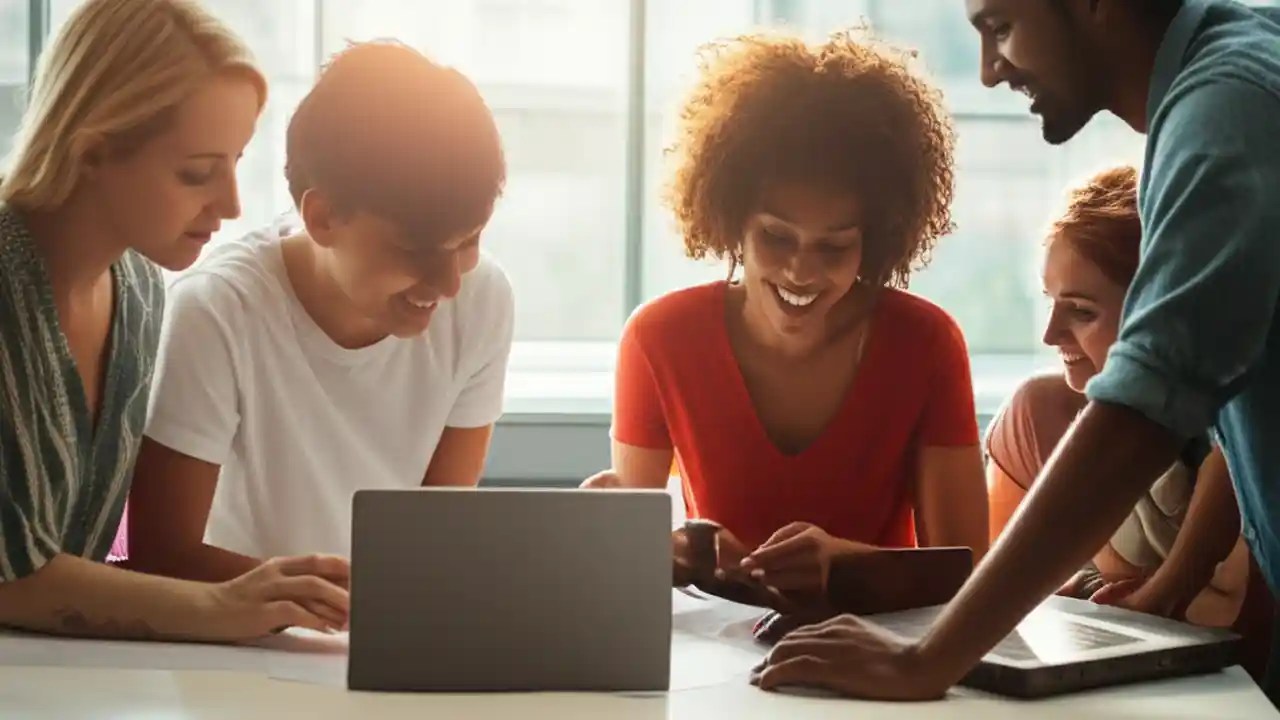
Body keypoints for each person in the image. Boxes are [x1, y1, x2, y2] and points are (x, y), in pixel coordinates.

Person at [752, 0, 1280, 702]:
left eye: (1000, 28)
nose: (989, 71)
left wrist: (926, 660)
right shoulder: (1236, 70)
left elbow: (1146, 410)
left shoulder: (1225, 112)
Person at [584, 29, 988, 600]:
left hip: (883, 651)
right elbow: (629, 560)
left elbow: (968, 573)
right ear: (732, 222)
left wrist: (842, 566)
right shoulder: (659, 339)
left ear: (873, 243)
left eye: (834, 247)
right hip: (719, 657)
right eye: (777, 237)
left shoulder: (926, 344)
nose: (801, 271)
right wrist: (657, 544)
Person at [0, 0, 348, 641]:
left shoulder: (139, 288)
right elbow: (11, 576)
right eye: (196, 173)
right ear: (93, 152)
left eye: (237, 162)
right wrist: (225, 606)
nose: (232, 204)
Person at [126, 40, 512, 581]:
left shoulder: (484, 299)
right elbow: (162, 554)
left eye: (468, 241)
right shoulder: (217, 311)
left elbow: (438, 530)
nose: (449, 283)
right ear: (324, 217)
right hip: (234, 646)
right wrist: (345, 599)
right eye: (416, 249)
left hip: (385, 631)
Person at [986, 164, 1271, 677]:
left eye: (1081, 311)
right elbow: (998, 608)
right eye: (1050, 302)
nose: (1050, 335)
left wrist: (1142, 588)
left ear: (1157, 312)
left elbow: (1234, 615)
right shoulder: (1036, 419)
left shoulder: (1243, 438)